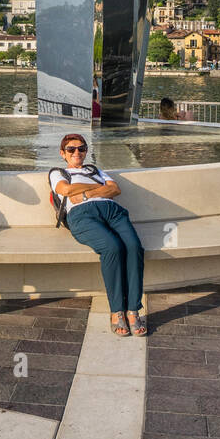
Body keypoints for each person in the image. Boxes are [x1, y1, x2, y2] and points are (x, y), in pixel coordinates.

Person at [50, 133, 146, 337]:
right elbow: (66, 190)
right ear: (63, 153)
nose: (77, 152)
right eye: (71, 149)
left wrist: (84, 193)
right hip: (81, 216)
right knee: (112, 247)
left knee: (134, 247)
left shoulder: (96, 170)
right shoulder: (58, 173)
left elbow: (115, 190)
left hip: (113, 212)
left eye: (81, 148)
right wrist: (99, 188)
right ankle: (117, 310)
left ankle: (133, 310)